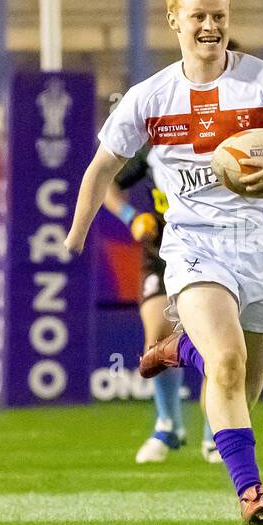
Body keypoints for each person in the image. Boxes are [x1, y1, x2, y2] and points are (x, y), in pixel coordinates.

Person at [64, 0, 263, 525]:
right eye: (197, 16)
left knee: (235, 389)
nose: (209, 26)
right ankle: (252, 495)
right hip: (196, 249)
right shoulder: (150, 98)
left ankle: (181, 351)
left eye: (218, 16)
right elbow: (101, 168)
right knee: (225, 363)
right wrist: (74, 239)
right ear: (174, 20)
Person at [104, 145, 221, 463]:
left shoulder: (218, 144)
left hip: (210, 252)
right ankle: (167, 426)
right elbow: (105, 181)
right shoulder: (152, 149)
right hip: (160, 253)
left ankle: (216, 433)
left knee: (215, 341)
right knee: (157, 336)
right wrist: (132, 216)